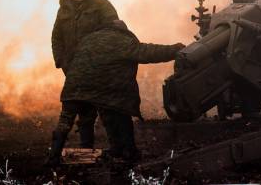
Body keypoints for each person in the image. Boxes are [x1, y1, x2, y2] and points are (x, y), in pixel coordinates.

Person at [46, 19, 184, 165]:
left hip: (74, 88)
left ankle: (54, 156)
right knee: (120, 113)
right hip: (103, 90)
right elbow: (147, 52)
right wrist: (175, 49)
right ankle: (128, 152)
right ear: (123, 30)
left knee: (65, 121)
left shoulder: (88, 39)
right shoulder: (121, 40)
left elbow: (70, 58)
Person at [50, 0, 118, 149]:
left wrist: (106, 60)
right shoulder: (64, 10)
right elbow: (56, 37)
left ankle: (118, 151)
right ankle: (85, 149)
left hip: (99, 68)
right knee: (82, 111)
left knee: (108, 112)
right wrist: (61, 61)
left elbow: (115, 31)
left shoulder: (101, 5)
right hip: (74, 70)